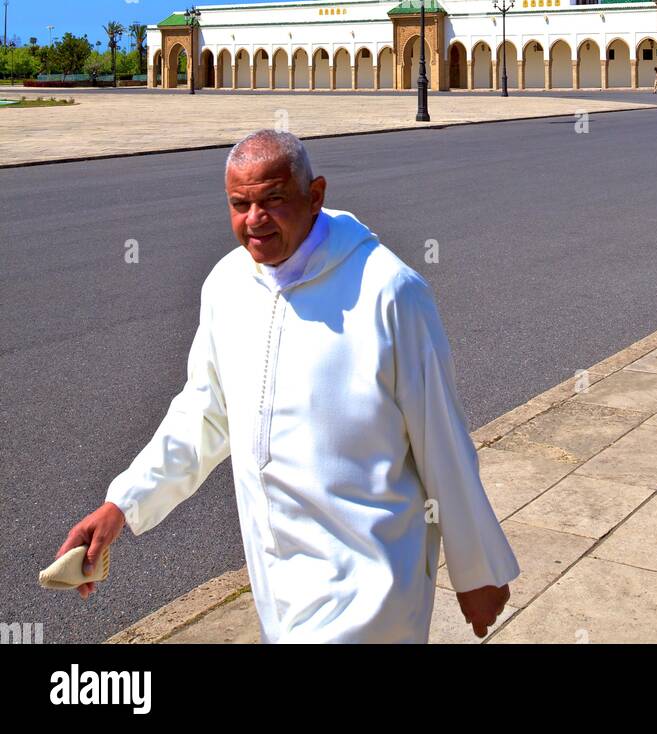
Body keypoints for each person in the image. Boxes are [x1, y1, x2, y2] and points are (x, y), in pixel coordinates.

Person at [57, 129, 518, 643]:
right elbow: (204, 414)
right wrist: (122, 505)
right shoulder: (227, 286)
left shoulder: (388, 292)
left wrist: (476, 568)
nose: (254, 219)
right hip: (278, 582)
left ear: (315, 195)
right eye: (239, 204)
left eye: (272, 200)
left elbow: (442, 441)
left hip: (373, 580)